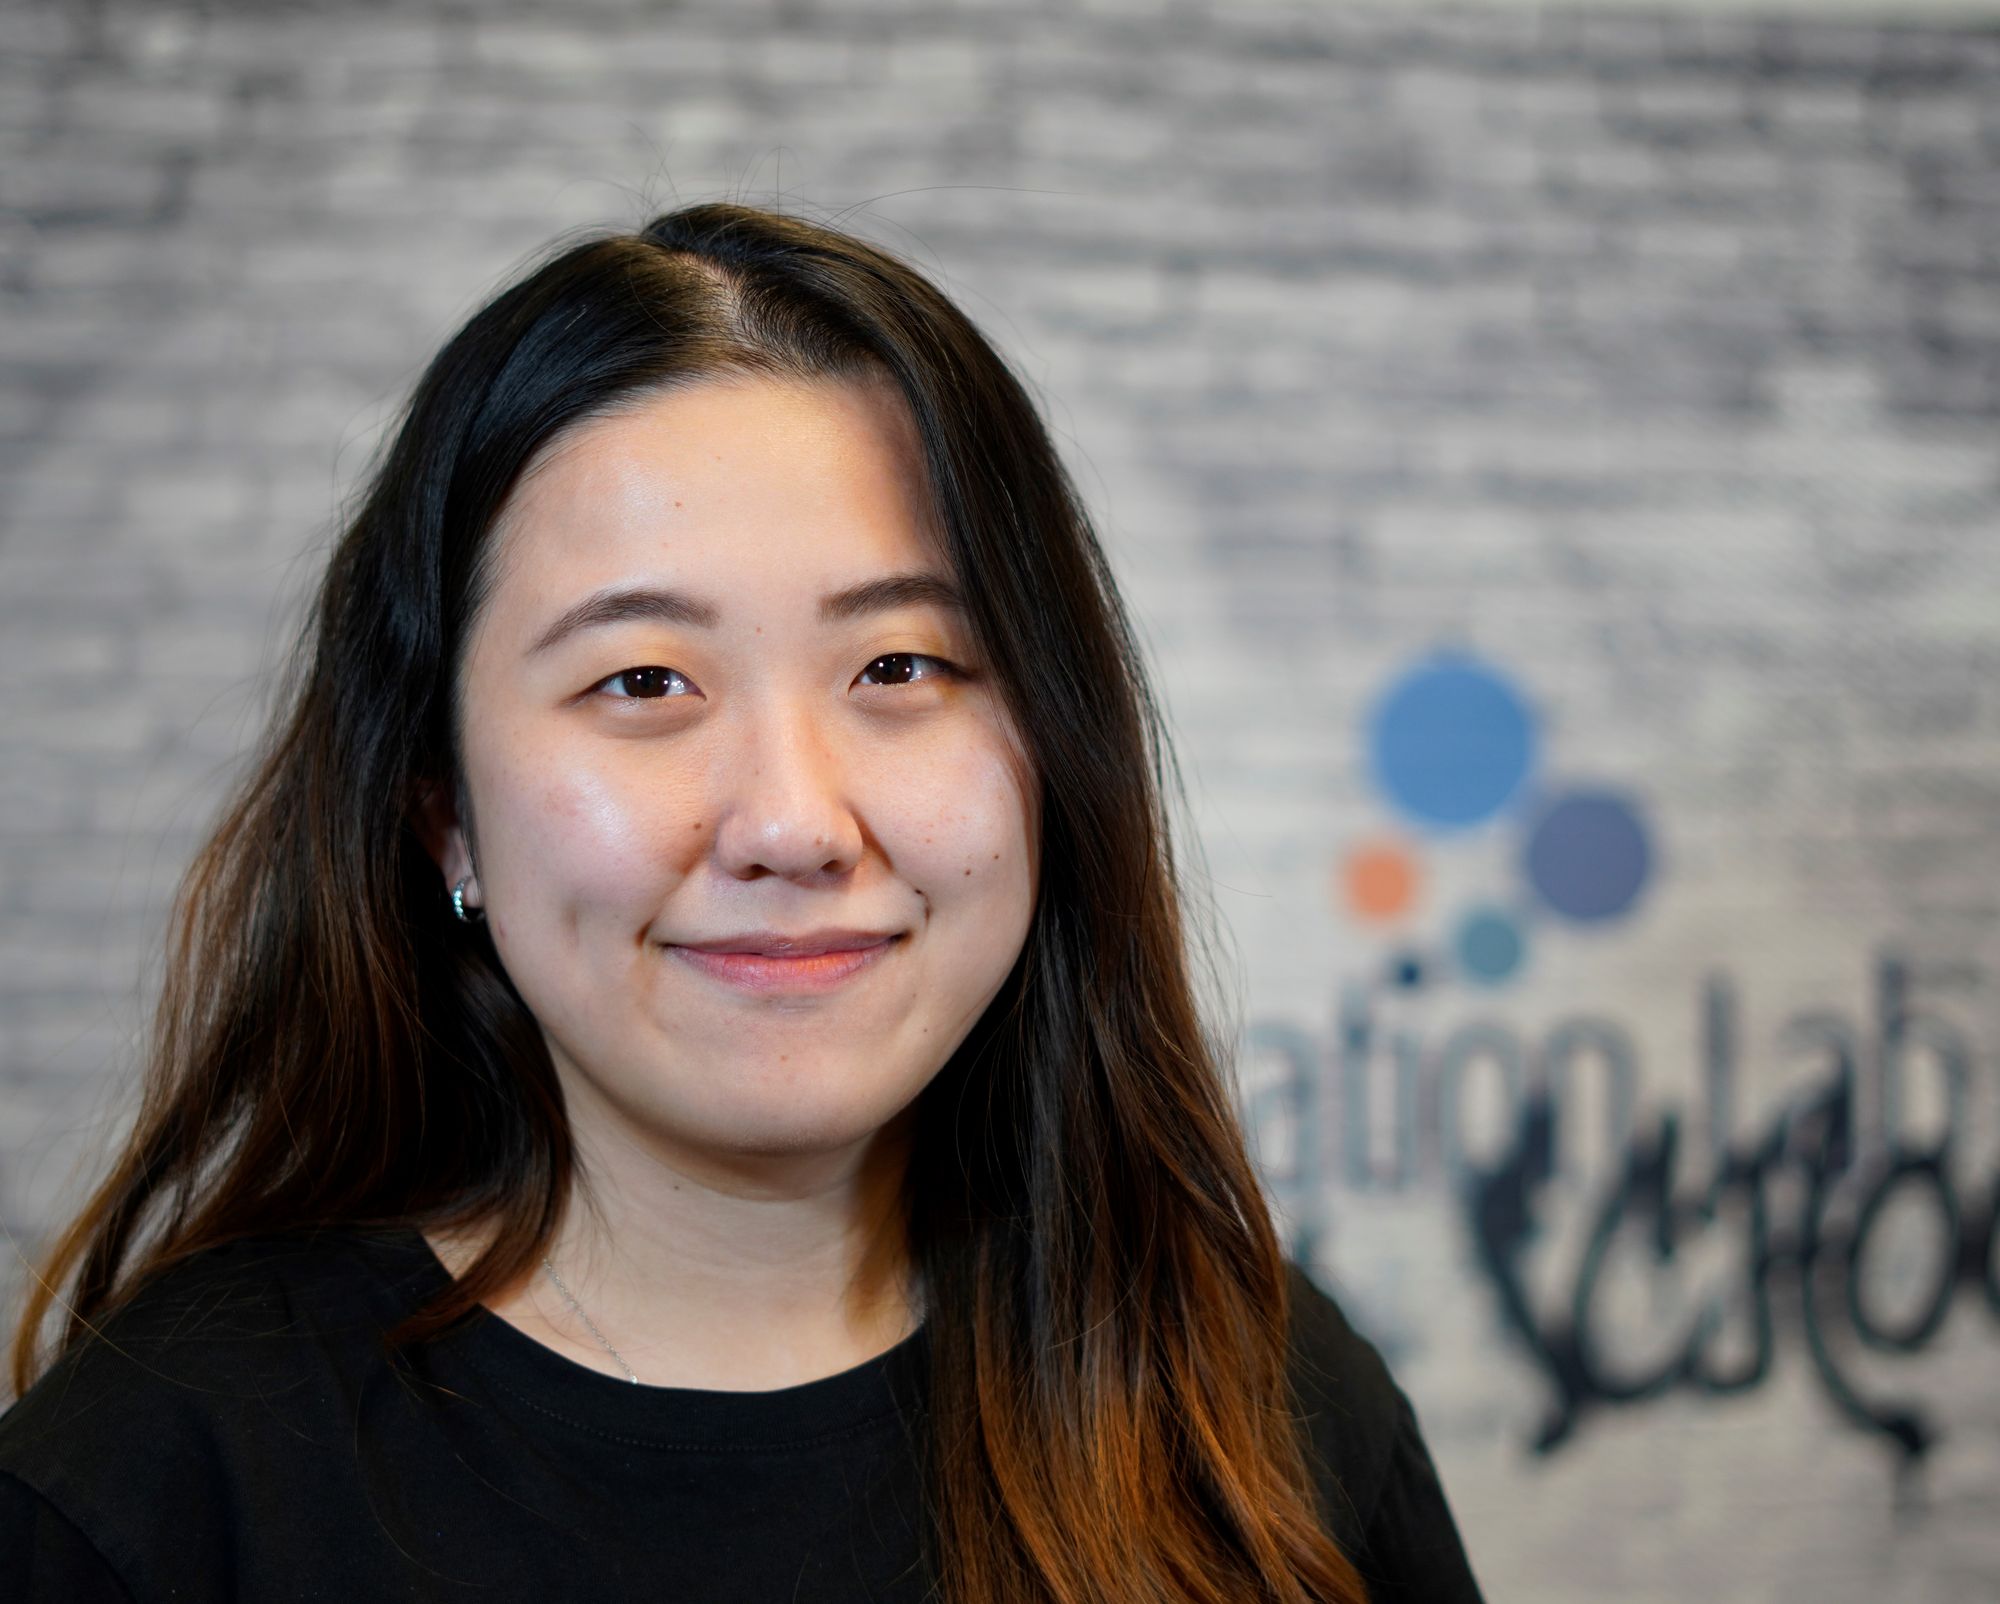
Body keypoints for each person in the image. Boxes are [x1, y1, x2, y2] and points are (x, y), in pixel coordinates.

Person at [0, 201, 1485, 1603]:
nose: (791, 824)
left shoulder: (1264, 1410)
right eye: (644, 680)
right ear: (446, 816)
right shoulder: (161, 1483)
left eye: (899, 666)